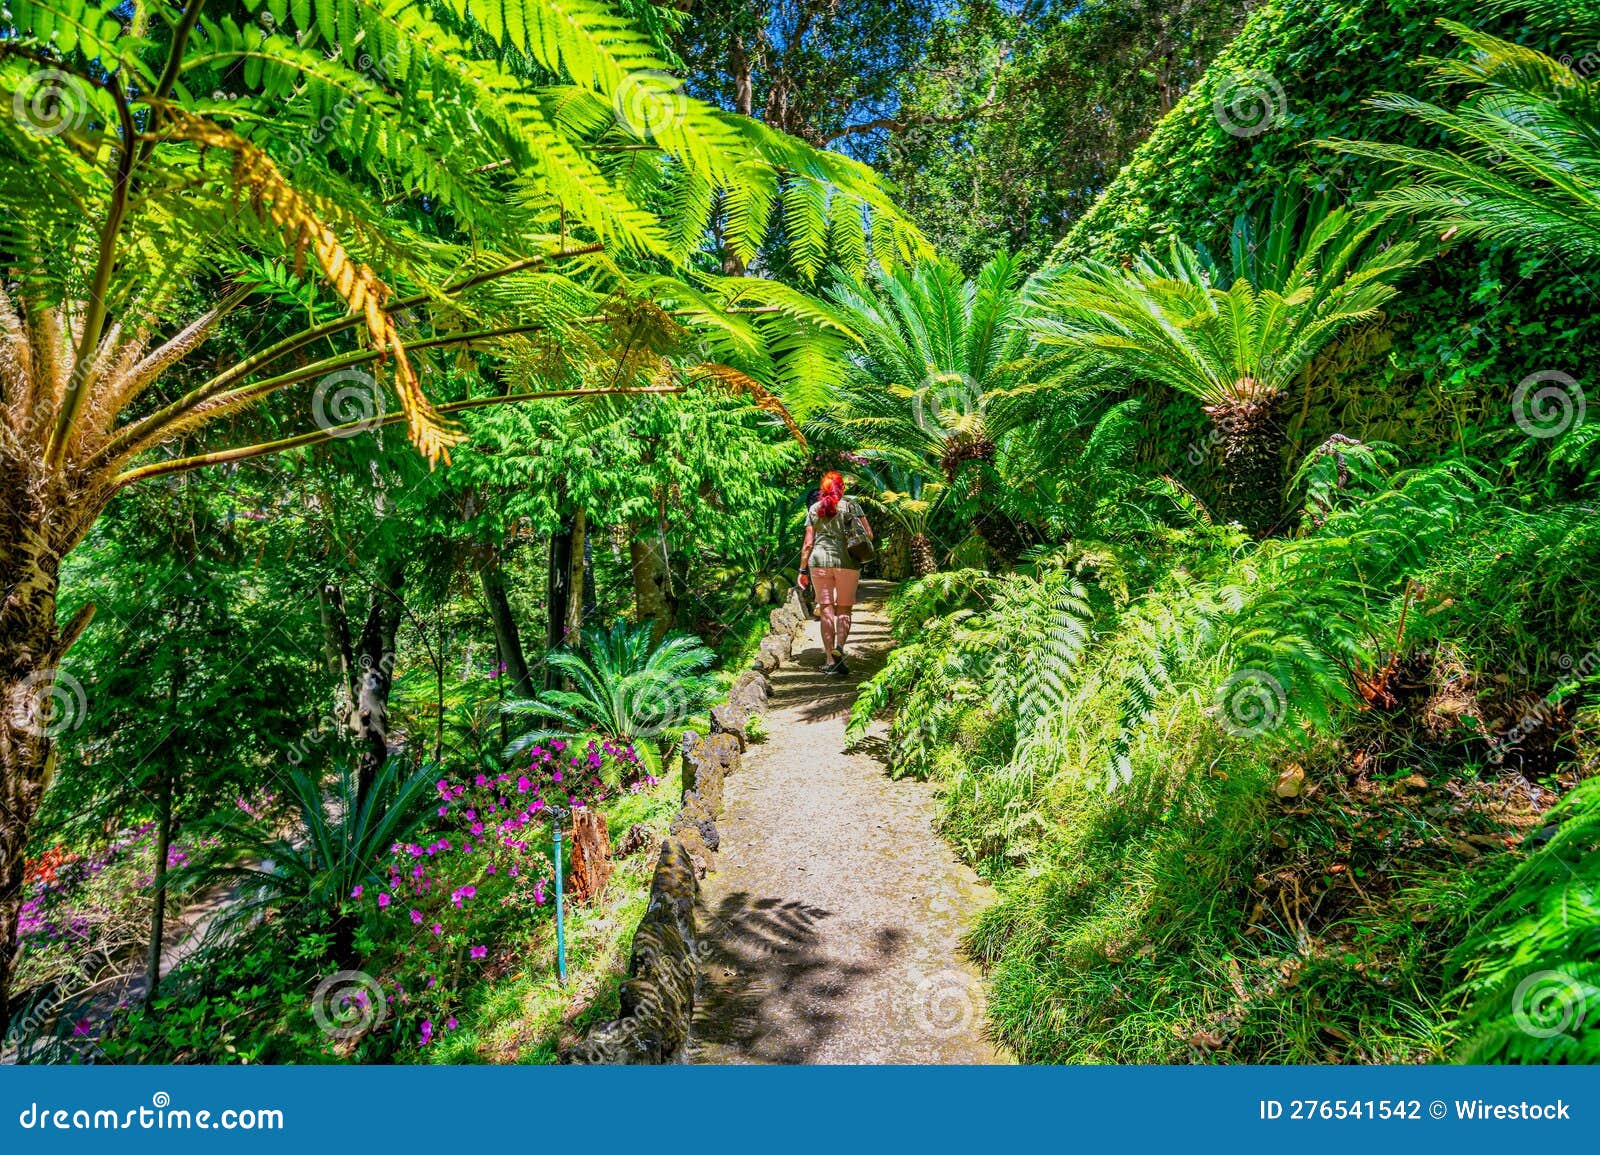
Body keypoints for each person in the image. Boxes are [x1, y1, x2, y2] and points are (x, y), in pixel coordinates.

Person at [798, 471, 873, 675]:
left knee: (826, 609)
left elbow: (808, 544)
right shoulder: (851, 506)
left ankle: (830, 660)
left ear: (822, 490)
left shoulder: (814, 509)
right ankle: (840, 649)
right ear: (843, 488)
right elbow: (869, 534)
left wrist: (802, 570)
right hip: (847, 562)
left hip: (819, 562)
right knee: (844, 610)